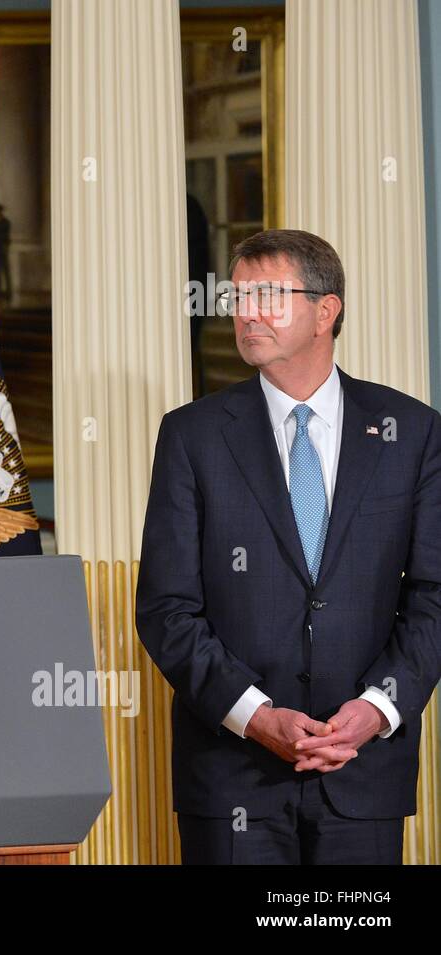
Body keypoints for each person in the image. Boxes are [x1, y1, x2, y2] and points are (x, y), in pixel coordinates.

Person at [136, 228, 441, 864]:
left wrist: (378, 707)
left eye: (268, 296)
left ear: (325, 311)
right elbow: (167, 607)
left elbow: (434, 597)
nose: (246, 314)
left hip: (363, 773)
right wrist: (254, 715)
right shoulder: (191, 436)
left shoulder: (410, 432)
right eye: (237, 297)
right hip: (231, 777)